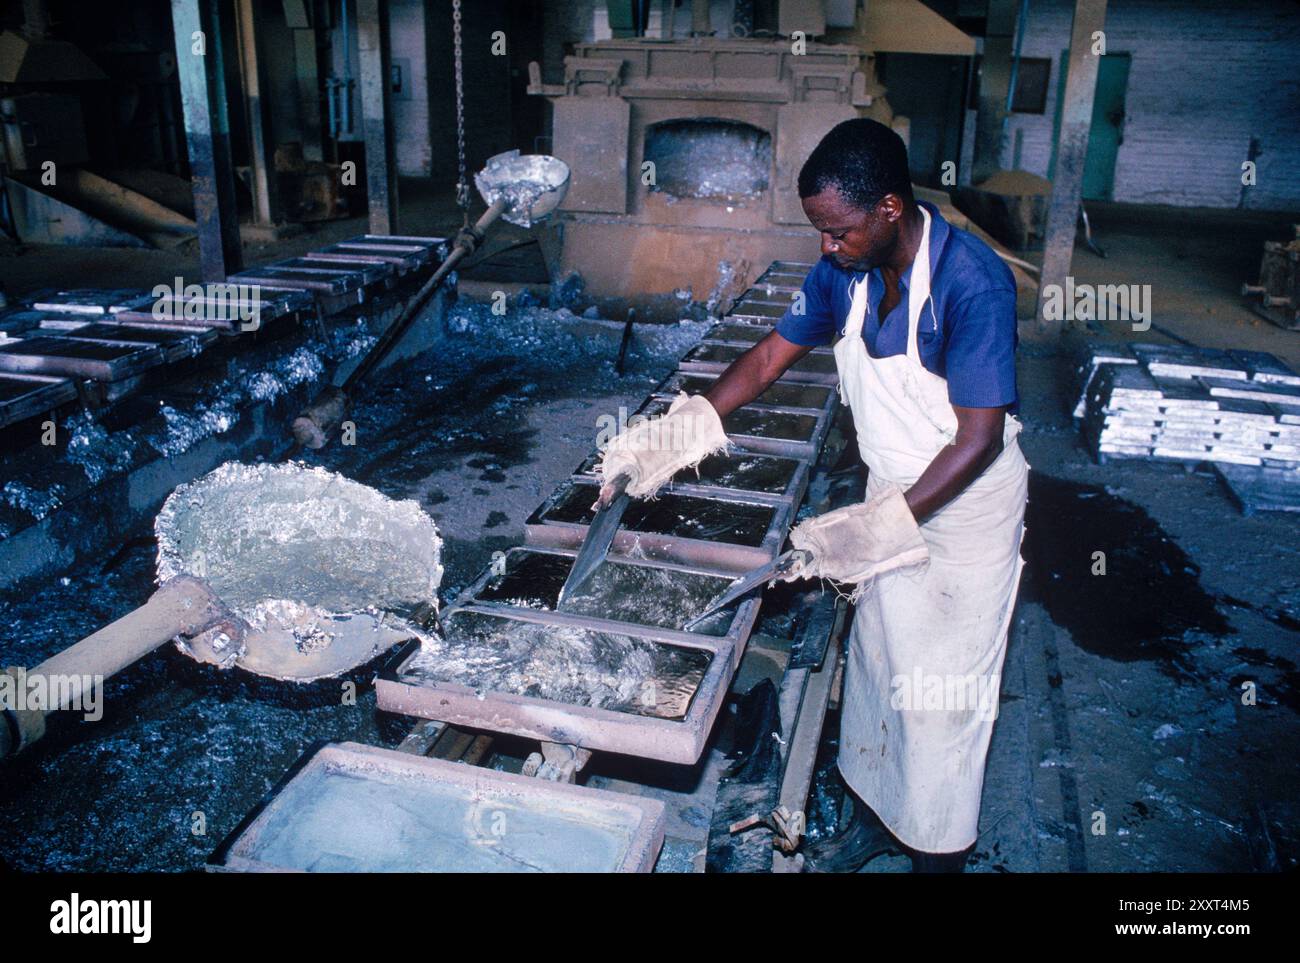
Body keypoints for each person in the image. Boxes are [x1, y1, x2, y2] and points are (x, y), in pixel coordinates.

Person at [600, 117, 1028, 873]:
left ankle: (938, 855)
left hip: (962, 515)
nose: (826, 246)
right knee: (880, 669)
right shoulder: (844, 272)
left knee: (938, 706)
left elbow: (977, 439)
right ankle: (874, 818)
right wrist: (679, 432)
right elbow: (769, 357)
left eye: (838, 230)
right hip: (891, 490)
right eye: (820, 231)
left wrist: (879, 527)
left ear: (890, 208)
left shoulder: (972, 281)